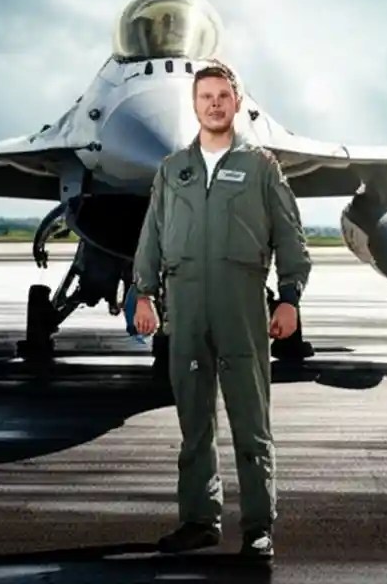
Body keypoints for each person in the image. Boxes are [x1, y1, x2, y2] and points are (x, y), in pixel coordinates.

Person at [132, 61, 311, 559]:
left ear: (236, 103)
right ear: (194, 104)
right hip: (185, 311)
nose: (214, 104)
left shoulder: (261, 167)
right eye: (205, 96)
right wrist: (143, 294)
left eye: (222, 96)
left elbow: (291, 239)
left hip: (242, 310)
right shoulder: (173, 171)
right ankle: (198, 519)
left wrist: (291, 298)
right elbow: (151, 239)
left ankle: (258, 527)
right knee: (194, 426)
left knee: (251, 424)